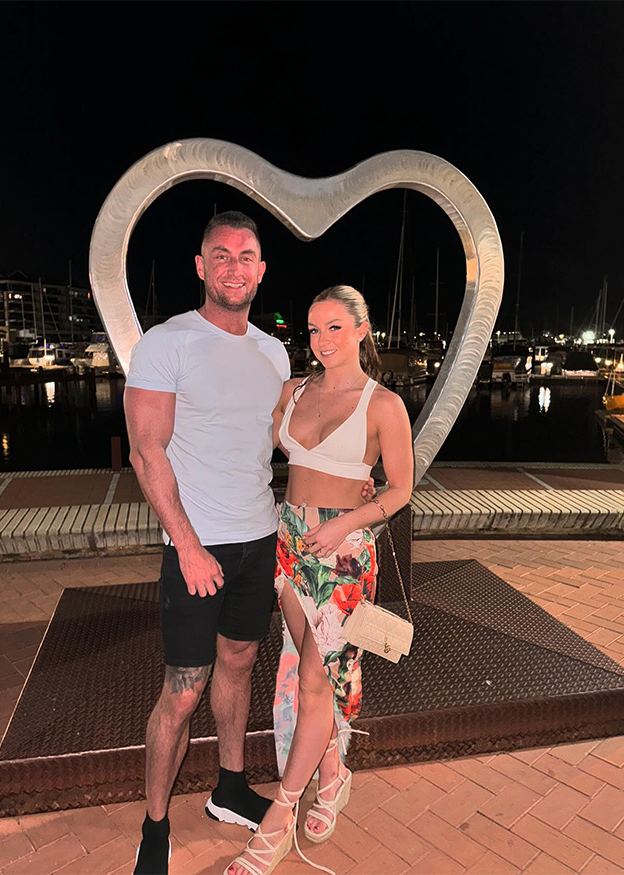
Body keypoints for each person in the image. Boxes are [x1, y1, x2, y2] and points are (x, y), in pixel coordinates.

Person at [124, 214, 375, 875]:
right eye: (221, 254)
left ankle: (228, 785)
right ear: (201, 266)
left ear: (261, 270)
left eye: (247, 255)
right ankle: (154, 827)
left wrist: (354, 474)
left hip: (262, 540)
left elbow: (283, 439)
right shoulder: (167, 341)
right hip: (195, 548)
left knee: (238, 667)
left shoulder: (273, 353)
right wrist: (185, 544)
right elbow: (146, 451)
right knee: (182, 690)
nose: (235, 265)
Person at [226, 285, 414, 875]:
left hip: (345, 556)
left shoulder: (383, 405)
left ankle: (278, 820)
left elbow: (401, 491)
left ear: (362, 330)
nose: (322, 340)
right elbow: (262, 453)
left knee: (314, 678)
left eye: (335, 327)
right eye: (312, 329)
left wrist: (347, 522)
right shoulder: (293, 391)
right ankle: (332, 773)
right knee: (310, 671)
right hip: (289, 545)